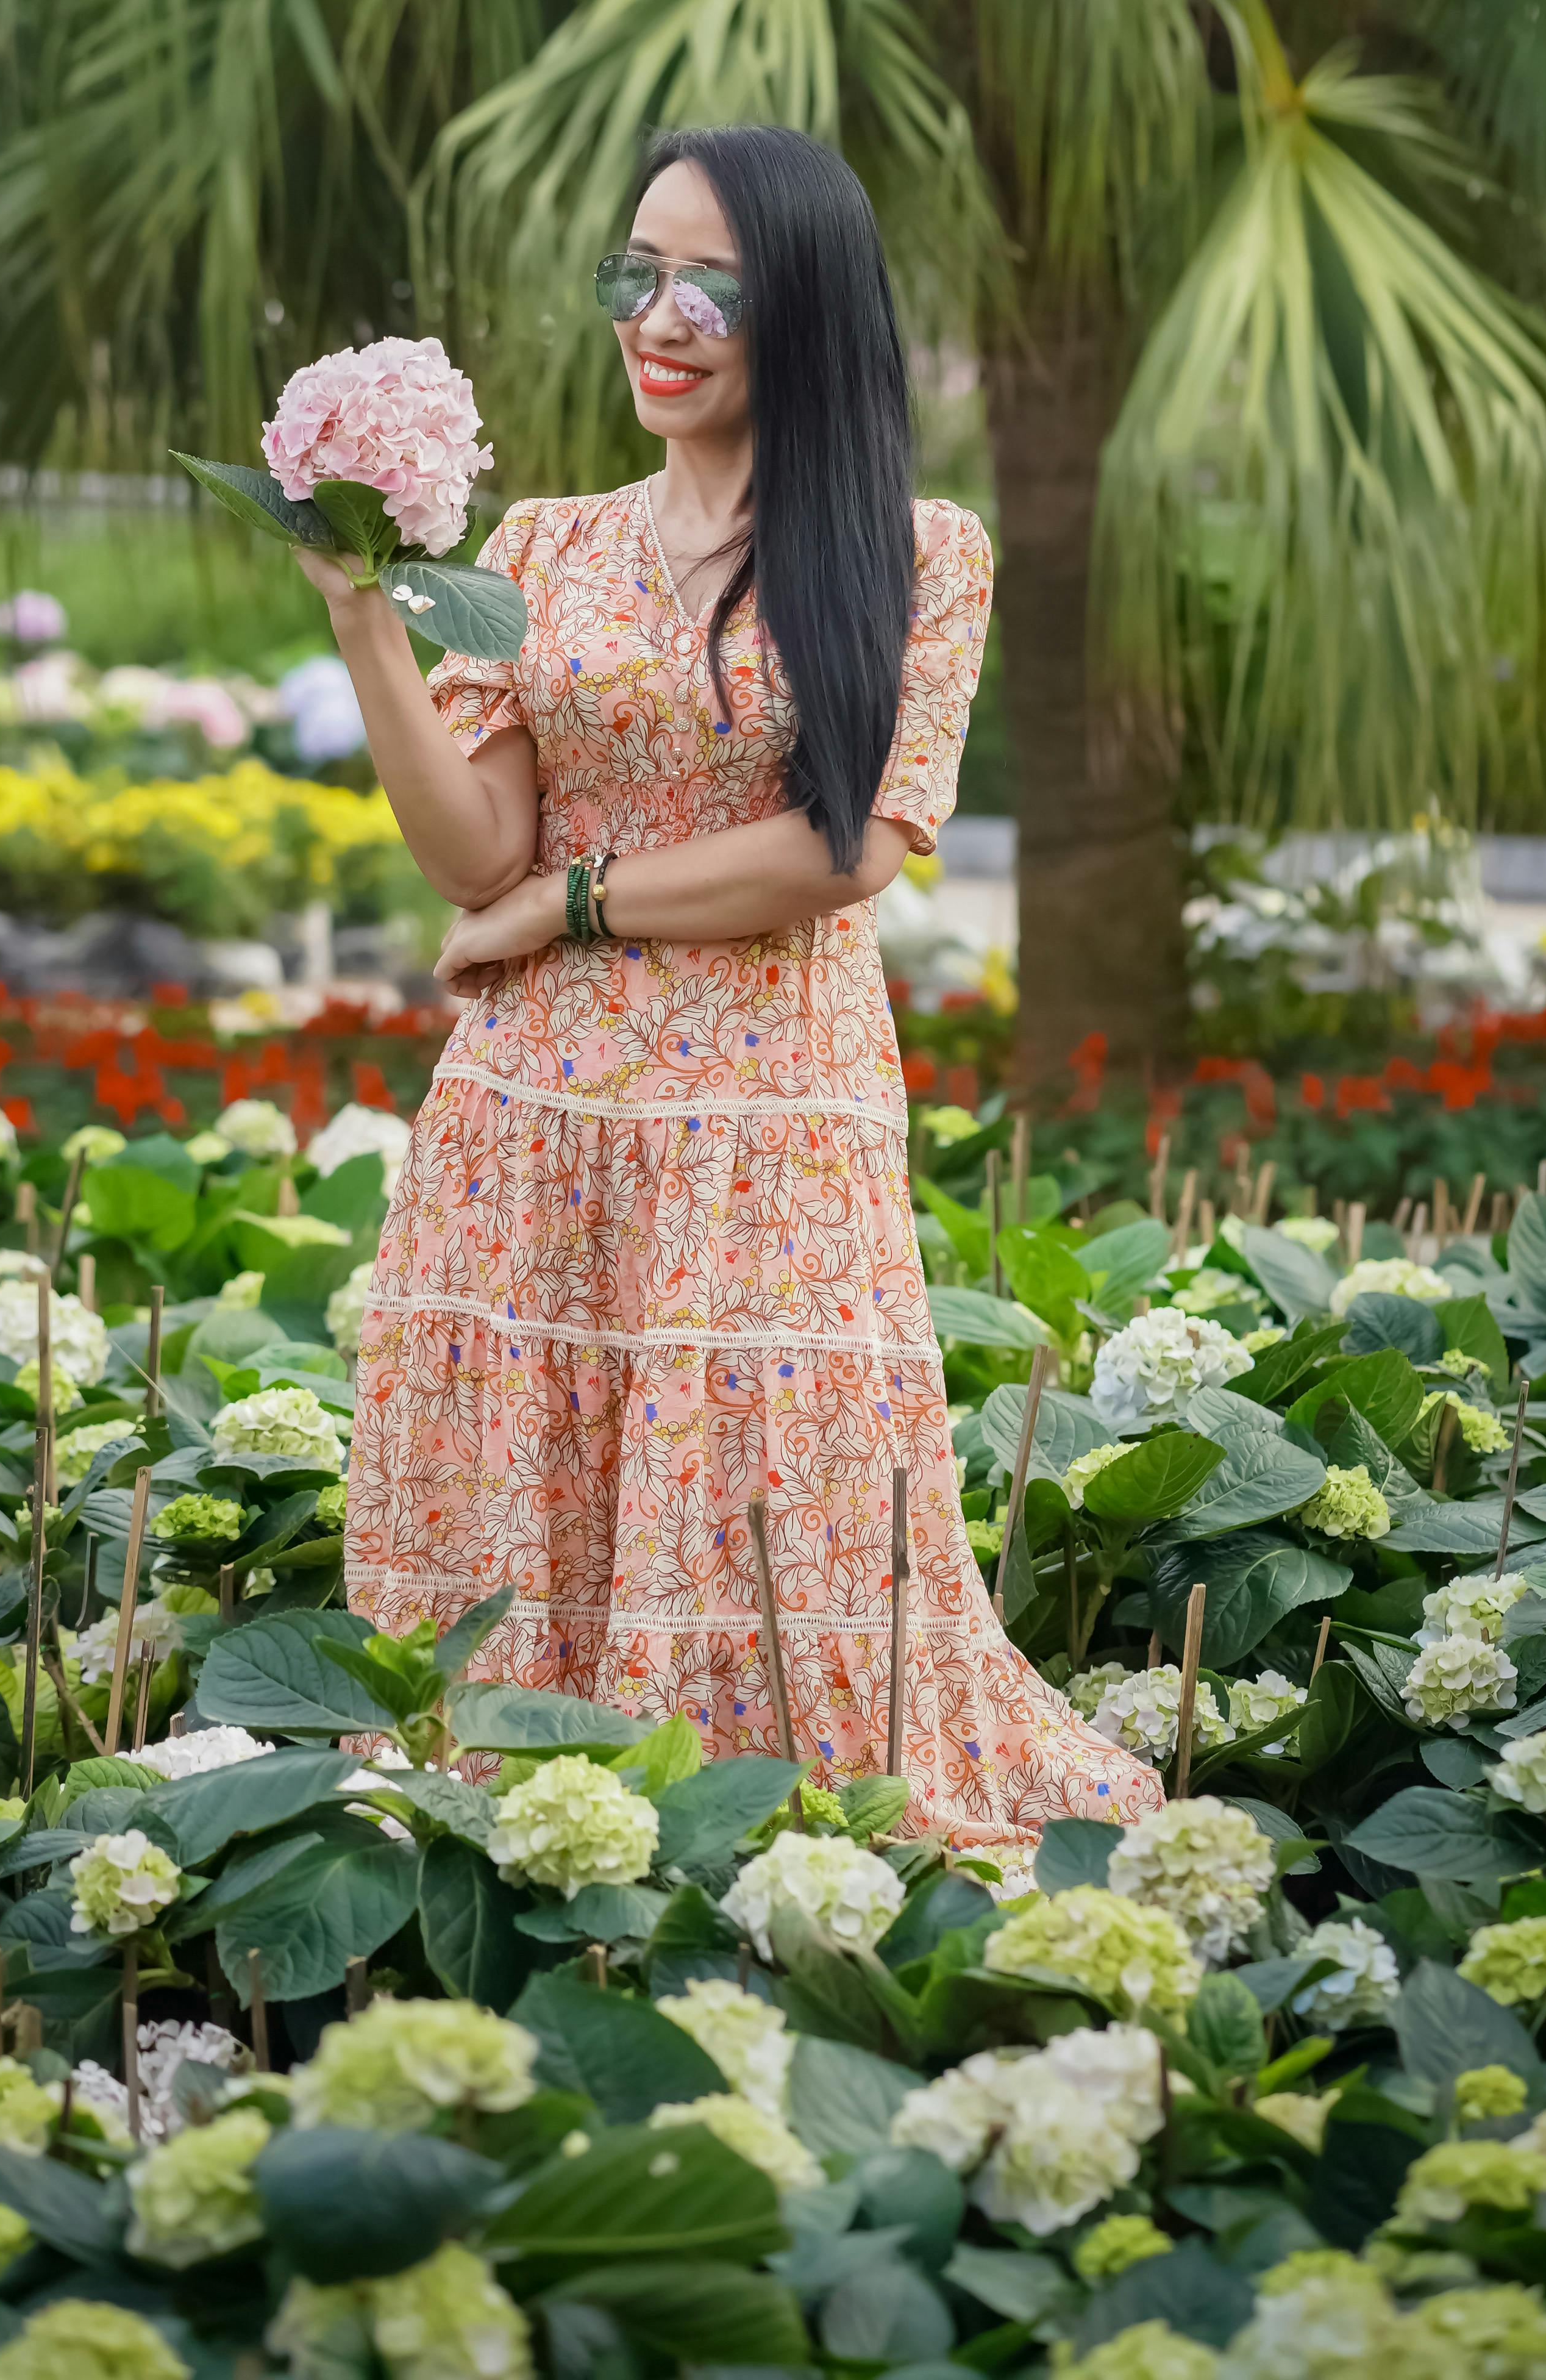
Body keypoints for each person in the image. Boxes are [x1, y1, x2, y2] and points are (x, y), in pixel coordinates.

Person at [294, 124, 1159, 1846]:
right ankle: (530, 1845)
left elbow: (847, 853)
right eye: (639, 273)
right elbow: (472, 852)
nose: (660, 318)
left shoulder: (918, 551)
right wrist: (365, 615)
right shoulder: (538, 550)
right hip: (533, 1122)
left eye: (712, 284)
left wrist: (573, 910)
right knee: (522, 1504)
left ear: (808, 309)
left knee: (773, 1502)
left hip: (767, 1120)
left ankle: (755, 1859)